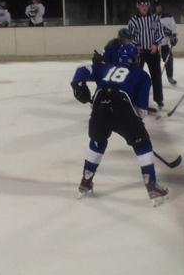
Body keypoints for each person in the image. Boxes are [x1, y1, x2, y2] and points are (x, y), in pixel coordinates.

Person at [70, 43, 169, 206]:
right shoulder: (142, 75)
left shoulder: (105, 67)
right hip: (123, 109)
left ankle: (86, 181)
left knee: (97, 142)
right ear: (135, 59)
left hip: (99, 107)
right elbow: (141, 111)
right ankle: (151, 185)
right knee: (143, 144)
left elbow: (81, 69)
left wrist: (78, 87)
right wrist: (135, 125)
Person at [127, 0, 165, 110]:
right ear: (138, 6)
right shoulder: (133, 21)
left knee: (156, 76)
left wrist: (156, 43)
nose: (144, 7)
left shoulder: (155, 18)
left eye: (146, 5)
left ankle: (159, 99)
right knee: (136, 76)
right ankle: (134, 98)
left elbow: (161, 34)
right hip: (139, 53)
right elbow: (129, 37)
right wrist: (136, 45)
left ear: (149, 6)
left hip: (153, 52)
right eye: (142, 5)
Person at [153, 0, 178, 85]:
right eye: (157, 6)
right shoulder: (152, 17)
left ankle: (170, 77)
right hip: (155, 45)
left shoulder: (169, 16)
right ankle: (156, 78)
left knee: (169, 60)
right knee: (155, 62)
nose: (158, 8)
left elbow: (173, 28)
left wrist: (173, 36)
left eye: (159, 6)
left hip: (164, 44)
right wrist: (163, 30)